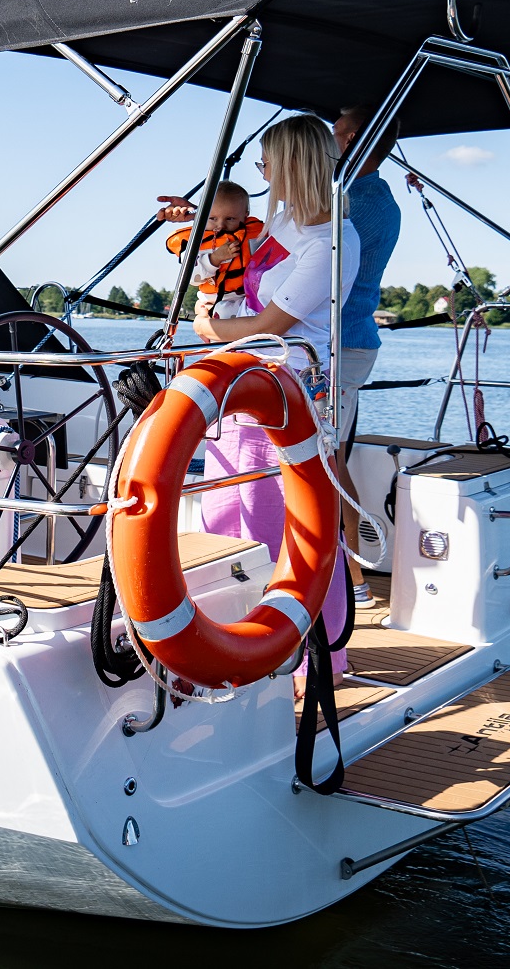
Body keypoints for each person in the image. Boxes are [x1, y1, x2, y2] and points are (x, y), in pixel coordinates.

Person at [173, 113, 361, 671]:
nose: (262, 174)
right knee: (227, 517)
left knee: (293, 531)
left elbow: (274, 323)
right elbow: (212, 266)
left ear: (292, 165)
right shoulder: (279, 227)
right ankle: (241, 644)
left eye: (267, 163)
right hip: (239, 389)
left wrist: (208, 329)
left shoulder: (331, 240)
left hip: (288, 397)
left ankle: (316, 661)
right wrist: (197, 227)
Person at [330, 103, 402, 606]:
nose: (328, 139)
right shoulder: (374, 197)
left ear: (352, 137)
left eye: (333, 131)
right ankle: (349, 577)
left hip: (340, 341)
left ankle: (353, 581)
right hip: (345, 341)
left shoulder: (355, 199)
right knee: (329, 459)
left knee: (326, 462)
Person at [160, 180, 262, 319]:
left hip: (249, 299)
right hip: (214, 303)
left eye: (230, 218)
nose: (220, 225)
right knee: (226, 311)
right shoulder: (196, 241)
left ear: (245, 215)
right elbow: (192, 278)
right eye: (212, 218)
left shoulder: (256, 234)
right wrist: (215, 259)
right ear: (202, 215)